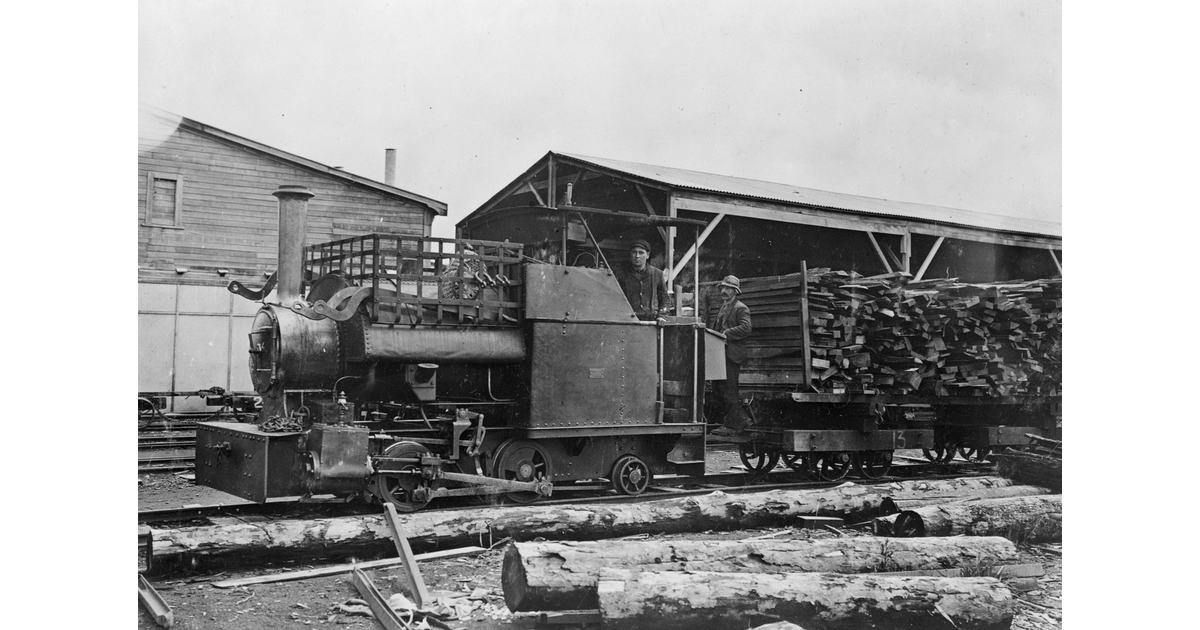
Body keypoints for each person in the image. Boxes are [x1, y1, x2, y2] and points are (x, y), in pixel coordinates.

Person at [709, 275, 753, 436]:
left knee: (729, 389)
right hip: (721, 354)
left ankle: (737, 423)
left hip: (732, 355)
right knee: (720, 389)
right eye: (723, 288)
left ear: (735, 291)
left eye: (729, 288)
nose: (725, 291)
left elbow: (746, 328)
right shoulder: (724, 307)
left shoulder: (740, 308)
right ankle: (735, 422)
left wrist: (727, 333)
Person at [615, 239, 670, 321]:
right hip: (626, 321)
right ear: (630, 254)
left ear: (647, 255)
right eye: (634, 252)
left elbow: (665, 298)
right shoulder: (620, 274)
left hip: (651, 321)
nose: (637, 256)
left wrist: (661, 316)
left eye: (641, 253)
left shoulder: (657, 274)